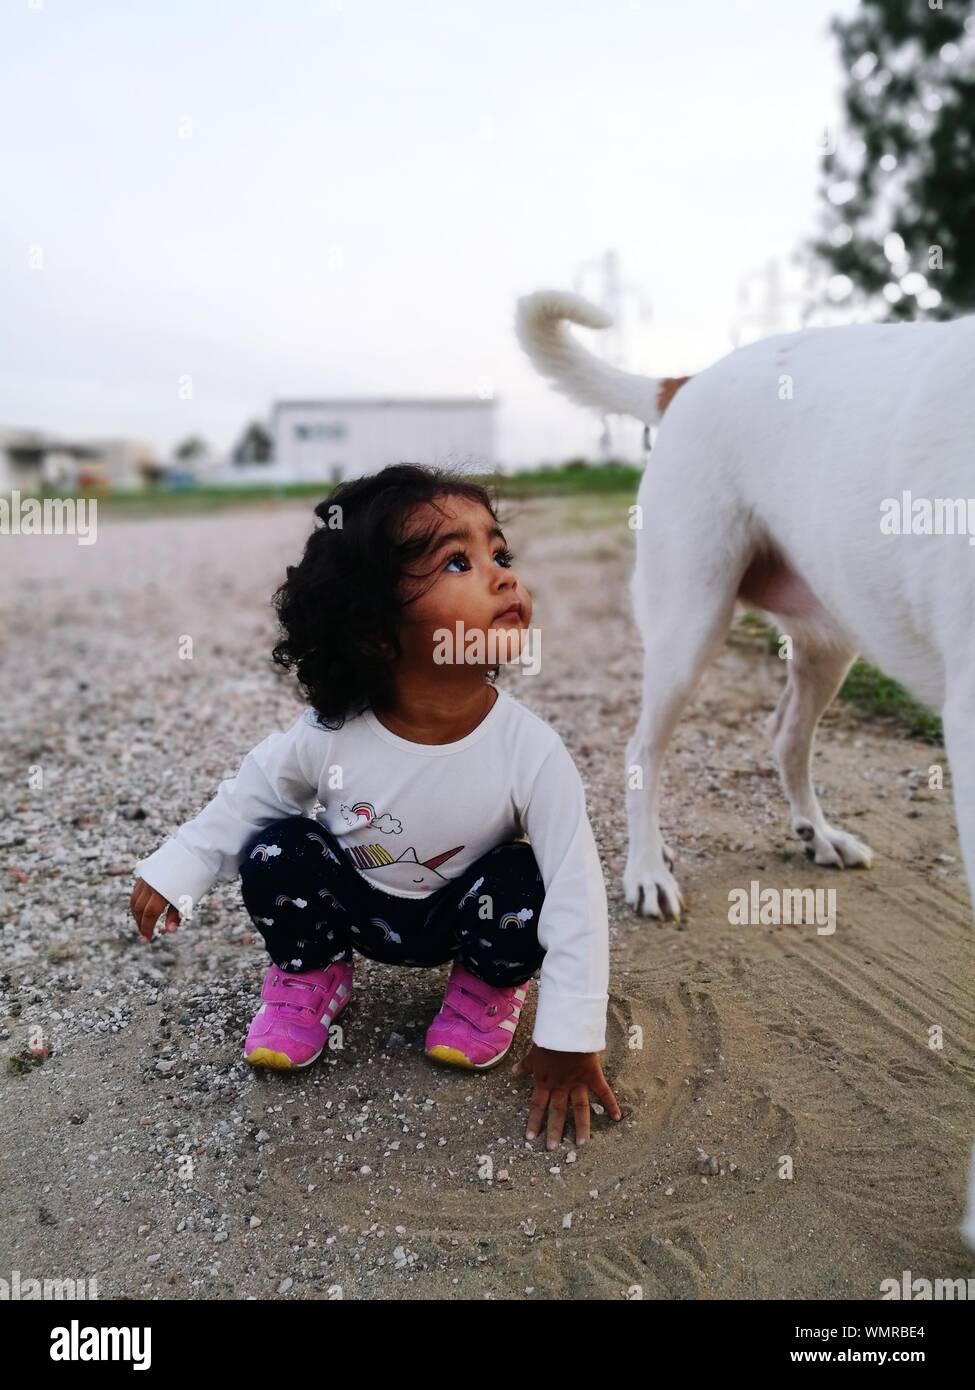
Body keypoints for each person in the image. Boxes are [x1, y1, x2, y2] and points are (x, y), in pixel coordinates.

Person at [130, 463, 620, 1149]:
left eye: (499, 553)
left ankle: (483, 989)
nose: (503, 576)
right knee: (276, 849)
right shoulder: (330, 737)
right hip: (361, 905)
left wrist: (569, 1035)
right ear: (374, 629)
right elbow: (247, 798)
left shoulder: (530, 751)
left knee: (530, 879)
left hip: (466, 919)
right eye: (458, 561)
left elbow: (576, 891)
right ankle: (310, 976)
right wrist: (178, 864)